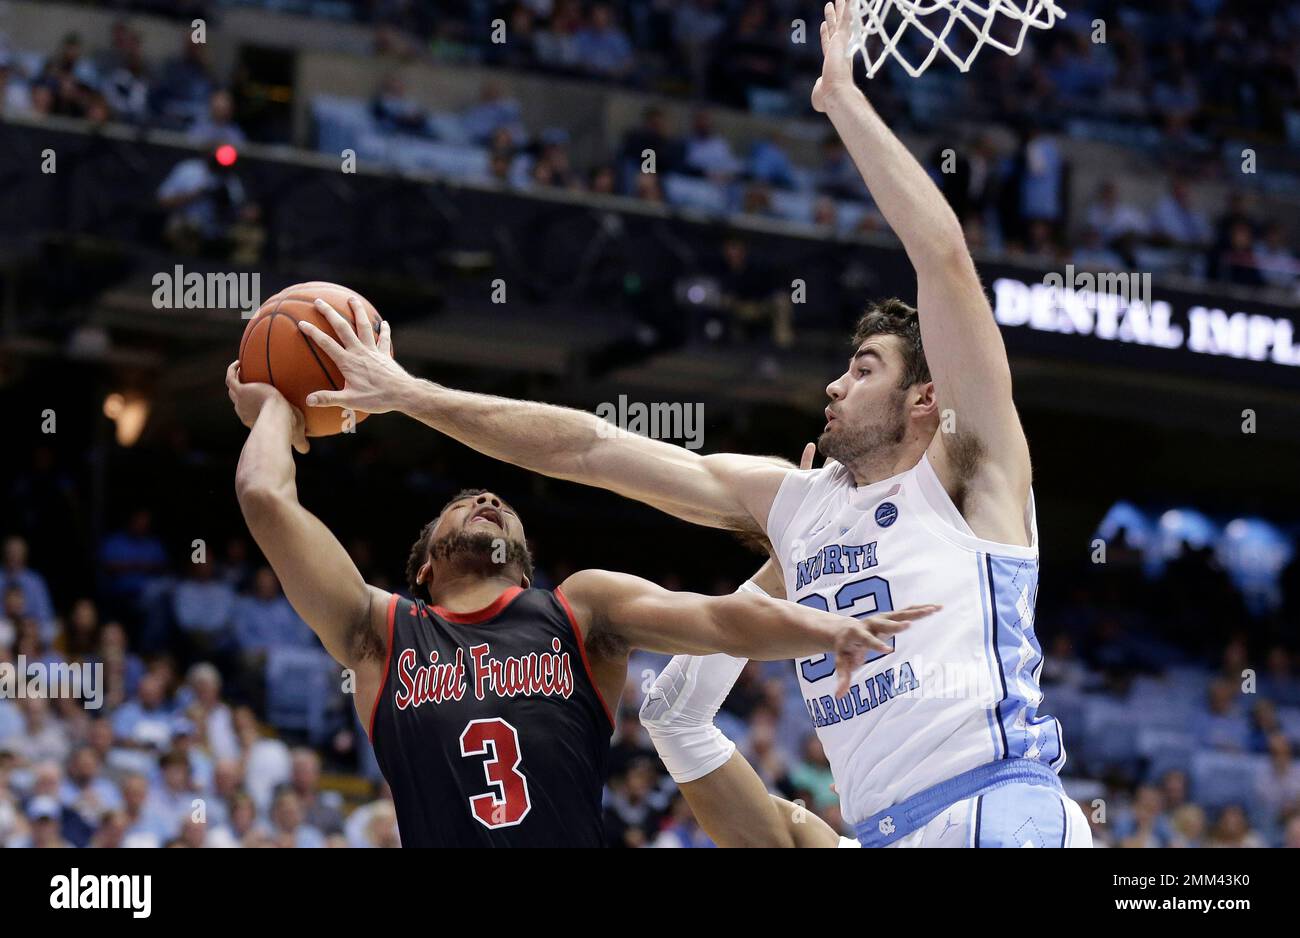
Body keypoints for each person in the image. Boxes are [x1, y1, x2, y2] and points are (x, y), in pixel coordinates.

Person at [291, 0, 1083, 848]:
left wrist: (841, 99)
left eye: (864, 369)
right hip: (888, 831)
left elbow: (945, 260)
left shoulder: (972, 472)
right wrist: (413, 394)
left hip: (998, 803)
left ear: (926, 399)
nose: (834, 384)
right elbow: (591, 448)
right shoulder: (795, 504)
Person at [225, 358, 933, 847]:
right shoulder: (382, 632)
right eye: (463, 503)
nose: (487, 498)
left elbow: (719, 620)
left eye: (499, 501)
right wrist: (271, 413)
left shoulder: (578, 610)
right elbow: (264, 497)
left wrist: (819, 619)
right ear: (423, 569)